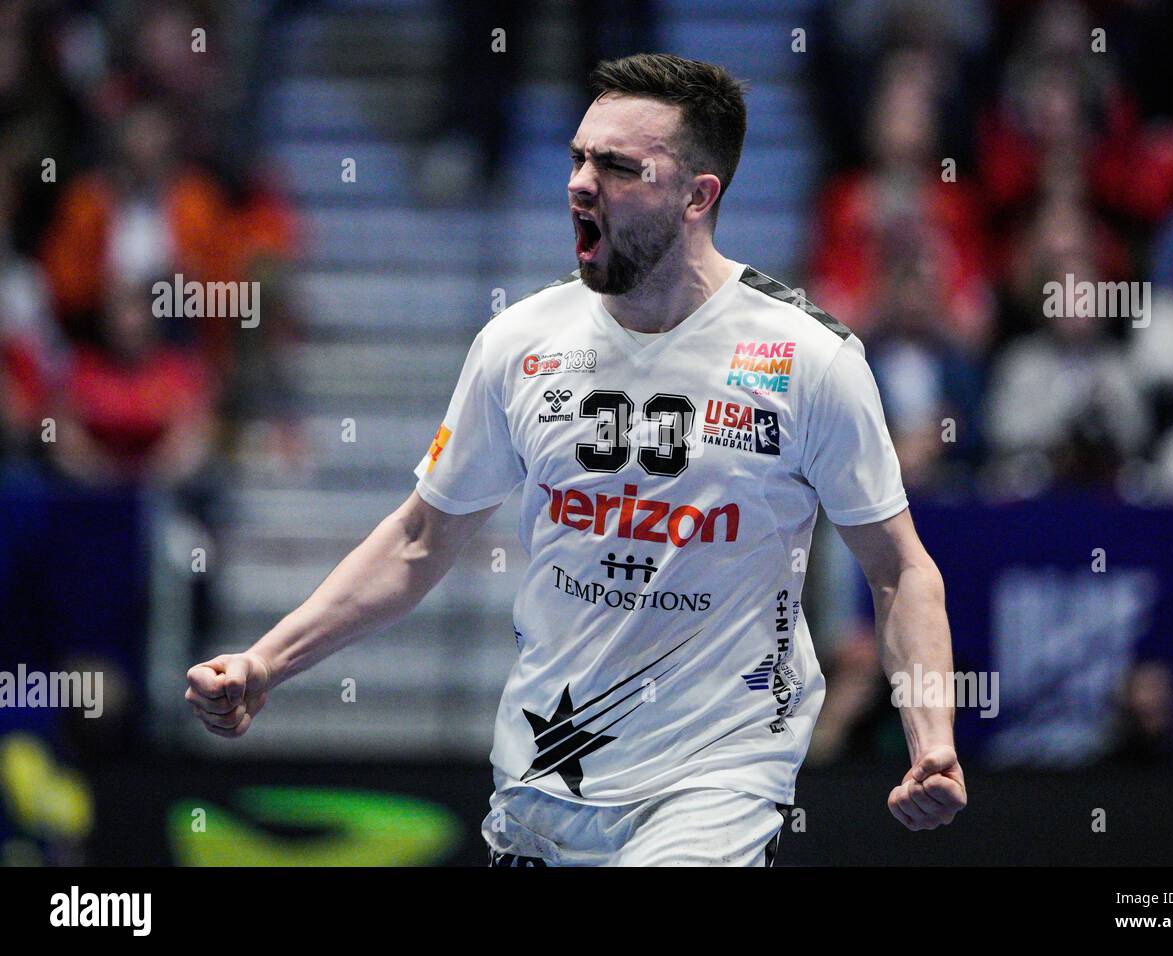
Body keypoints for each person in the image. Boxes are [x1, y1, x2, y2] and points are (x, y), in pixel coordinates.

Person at [184, 53, 966, 866]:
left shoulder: (809, 359)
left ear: (699, 196)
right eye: (578, 158)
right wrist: (266, 661)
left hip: (716, 779)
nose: (581, 184)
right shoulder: (521, 344)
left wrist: (931, 740)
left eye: (620, 167)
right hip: (545, 773)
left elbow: (901, 569)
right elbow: (420, 541)